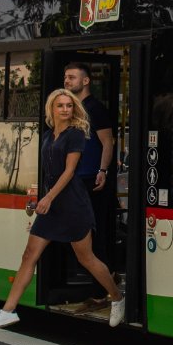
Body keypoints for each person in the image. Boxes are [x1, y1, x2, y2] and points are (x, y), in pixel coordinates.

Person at [0, 89, 125, 331]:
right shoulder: (49, 136)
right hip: (51, 204)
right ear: (52, 109)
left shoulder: (76, 135)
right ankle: (7, 311)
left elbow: (69, 172)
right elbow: (49, 171)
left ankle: (117, 297)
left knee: (86, 258)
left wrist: (48, 198)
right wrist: (41, 195)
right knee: (29, 255)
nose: (65, 110)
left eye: (69, 106)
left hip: (72, 204)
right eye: (60, 105)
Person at [63, 62, 116, 258]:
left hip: (91, 181)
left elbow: (107, 142)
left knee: (92, 232)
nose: (67, 81)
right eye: (66, 77)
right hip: (74, 179)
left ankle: (102, 282)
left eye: (72, 77)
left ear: (86, 81)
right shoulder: (72, 109)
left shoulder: (95, 108)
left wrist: (102, 171)